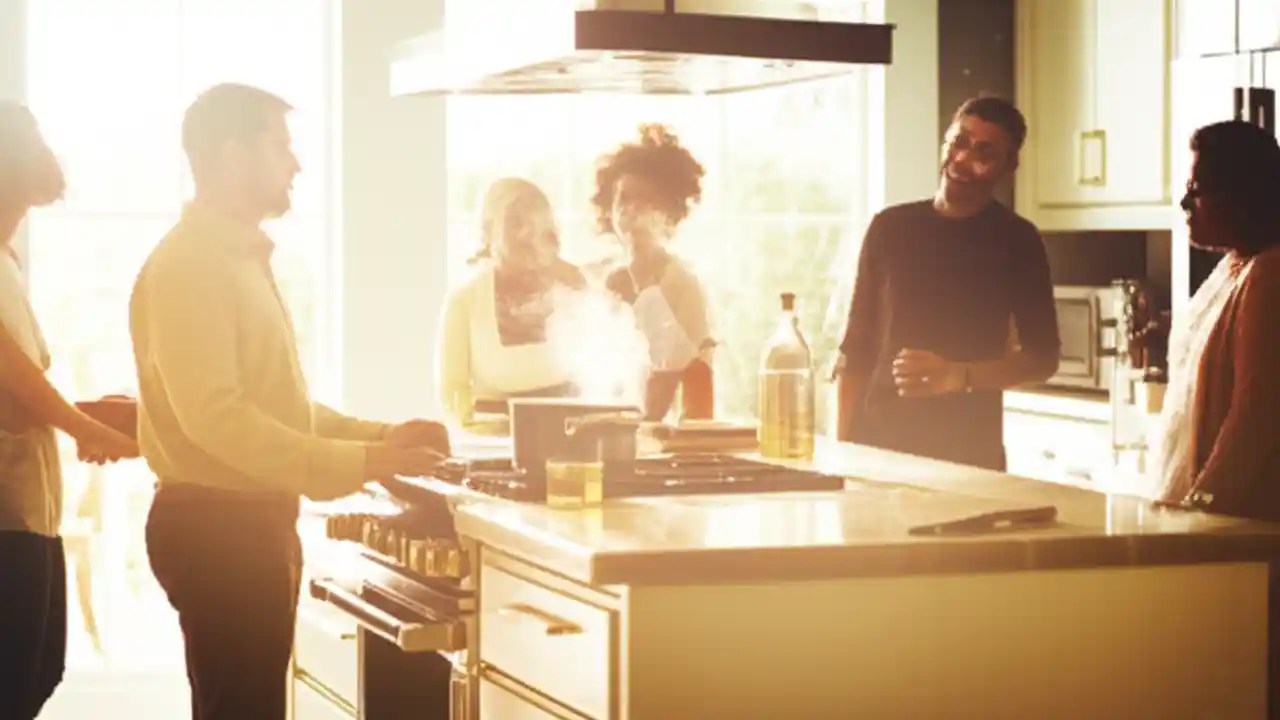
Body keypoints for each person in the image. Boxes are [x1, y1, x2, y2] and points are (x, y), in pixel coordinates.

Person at [129, 83, 448, 720]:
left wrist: (383, 437)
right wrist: (365, 460)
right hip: (221, 529)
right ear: (232, 157)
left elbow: (276, 405)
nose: (296, 163)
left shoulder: (235, 260)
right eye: (281, 146)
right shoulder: (192, 267)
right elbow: (220, 420)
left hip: (242, 524)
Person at [0, 102, 139, 720]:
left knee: (38, 673)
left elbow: (16, 393)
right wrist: (87, 426)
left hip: (31, 505)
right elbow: (14, 376)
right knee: (15, 681)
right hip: (5, 510)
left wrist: (89, 414)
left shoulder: (8, 262)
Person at [836, 96, 1060, 471]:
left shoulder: (1017, 240)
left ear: (1010, 165)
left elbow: (1043, 359)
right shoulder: (889, 227)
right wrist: (841, 452)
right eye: (958, 142)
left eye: (983, 153)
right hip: (877, 447)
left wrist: (959, 376)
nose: (961, 160)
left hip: (967, 452)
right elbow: (856, 350)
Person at [1153, 120, 1280, 519]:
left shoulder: (1270, 274)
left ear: (1242, 196)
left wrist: (1201, 506)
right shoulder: (1233, 266)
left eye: (1197, 190)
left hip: (1235, 524)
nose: (1185, 203)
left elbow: (1254, 420)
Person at [435, 177, 586, 423]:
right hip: (492, 446)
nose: (528, 234)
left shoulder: (573, 290)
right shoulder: (464, 301)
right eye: (516, 222)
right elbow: (453, 399)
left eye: (537, 223)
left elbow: (609, 378)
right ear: (487, 232)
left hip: (576, 446)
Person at [595, 123, 715, 422]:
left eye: (647, 200)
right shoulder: (604, 279)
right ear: (608, 208)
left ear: (670, 213)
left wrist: (646, 288)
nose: (632, 211)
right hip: (611, 432)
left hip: (671, 442)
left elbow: (682, 385)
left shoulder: (683, 286)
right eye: (624, 199)